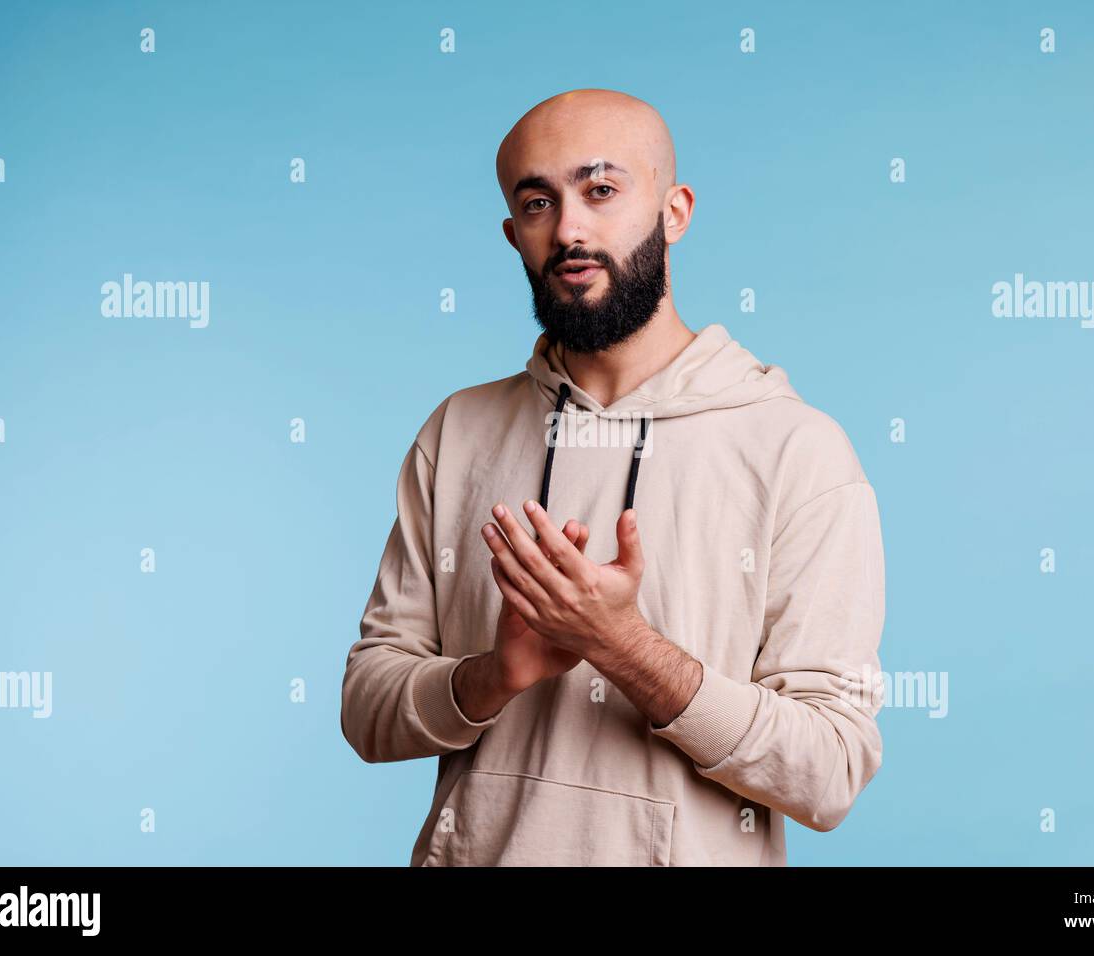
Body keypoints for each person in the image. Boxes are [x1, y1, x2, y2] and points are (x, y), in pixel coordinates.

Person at [340, 88, 886, 866]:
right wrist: (495, 676)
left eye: (601, 190)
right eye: (538, 202)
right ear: (512, 234)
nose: (569, 230)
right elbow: (366, 710)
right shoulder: (457, 431)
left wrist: (623, 646)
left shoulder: (797, 450)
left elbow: (829, 772)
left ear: (675, 211)